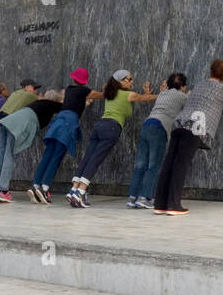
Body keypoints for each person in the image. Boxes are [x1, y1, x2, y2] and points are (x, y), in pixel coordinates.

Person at [153, 59, 223, 216]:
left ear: (212, 70)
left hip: (179, 124)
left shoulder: (200, 85)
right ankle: (173, 205)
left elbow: (208, 100)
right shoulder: (221, 88)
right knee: (180, 166)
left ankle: (160, 204)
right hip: (195, 127)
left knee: (169, 163)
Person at [65, 71, 157, 208]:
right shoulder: (128, 95)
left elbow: (144, 97)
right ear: (121, 81)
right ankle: (81, 191)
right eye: (129, 79)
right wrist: (163, 94)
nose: (132, 81)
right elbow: (146, 99)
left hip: (99, 126)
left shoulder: (110, 94)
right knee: (95, 160)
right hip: (112, 128)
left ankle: (74, 190)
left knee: (88, 157)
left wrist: (146, 93)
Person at [29, 67, 103, 204]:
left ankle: (35, 186)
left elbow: (76, 102)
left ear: (74, 79)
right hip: (69, 123)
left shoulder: (69, 89)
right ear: (85, 81)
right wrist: (109, 90)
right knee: (56, 157)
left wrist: (86, 102)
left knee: (47, 155)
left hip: (58, 122)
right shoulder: (84, 90)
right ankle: (44, 189)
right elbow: (99, 95)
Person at [127, 71, 189, 208]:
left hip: (147, 125)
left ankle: (132, 197)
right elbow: (190, 110)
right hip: (159, 128)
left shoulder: (162, 94)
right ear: (183, 86)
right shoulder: (182, 96)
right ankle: (145, 198)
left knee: (140, 165)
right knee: (153, 166)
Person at [0, 90, 64, 203]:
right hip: (19, 122)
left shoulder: (39, 104)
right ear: (56, 100)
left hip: (8, 121)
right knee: (9, 154)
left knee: (0, 155)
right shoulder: (50, 104)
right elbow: (66, 106)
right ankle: (3, 191)